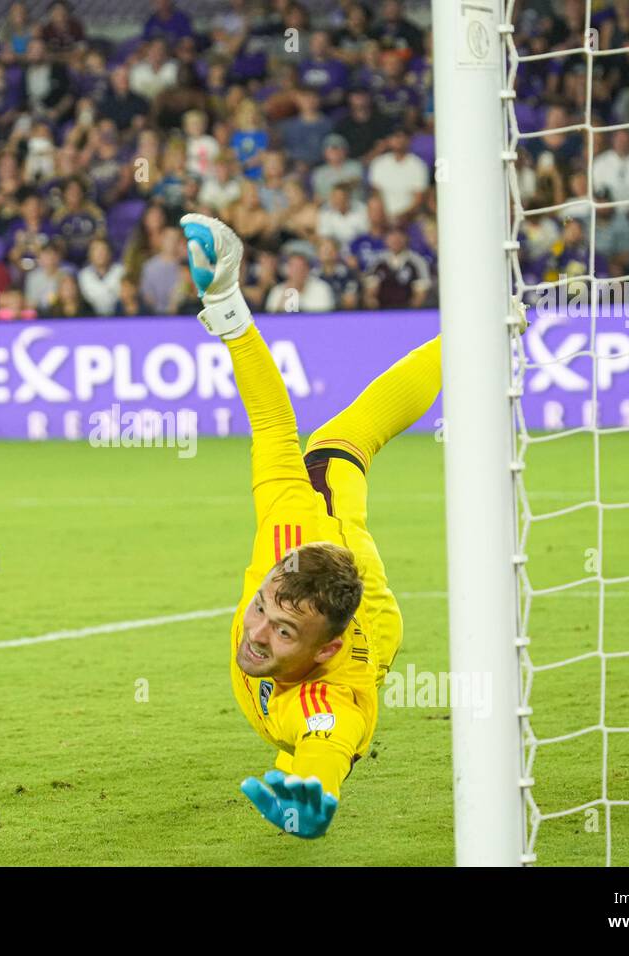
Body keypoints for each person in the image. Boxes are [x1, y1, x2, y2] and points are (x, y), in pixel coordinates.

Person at [178, 212, 441, 838]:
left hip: (368, 627)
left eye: (284, 630)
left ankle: (479, 334)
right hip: (332, 547)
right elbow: (271, 421)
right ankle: (476, 335)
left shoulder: (331, 693)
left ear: (322, 649)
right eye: (266, 607)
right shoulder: (288, 534)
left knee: (340, 448)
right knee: (335, 448)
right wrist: (226, 304)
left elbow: (328, 742)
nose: (258, 631)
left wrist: (312, 796)